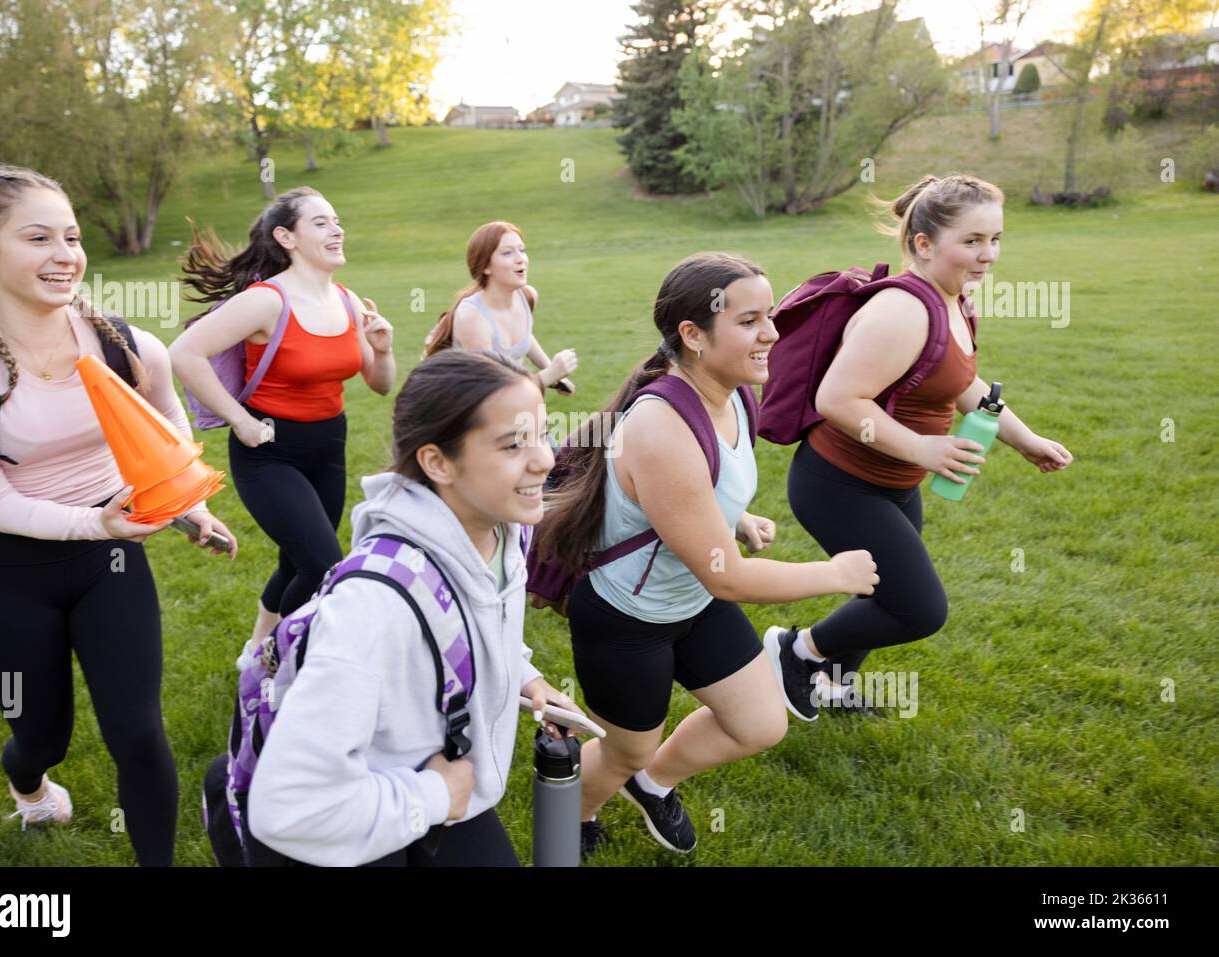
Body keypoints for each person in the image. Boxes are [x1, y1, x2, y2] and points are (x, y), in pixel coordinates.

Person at [0, 164, 237, 867]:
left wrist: (194, 509)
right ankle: (29, 782)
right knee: (43, 735)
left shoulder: (126, 345)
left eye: (71, 234)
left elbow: (171, 446)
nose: (66, 253)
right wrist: (100, 523)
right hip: (1, 568)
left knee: (138, 731)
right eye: (38, 237)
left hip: (108, 561)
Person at [536, 252, 879, 854]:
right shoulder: (662, 425)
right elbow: (730, 579)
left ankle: (654, 782)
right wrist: (835, 572)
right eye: (750, 321)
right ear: (693, 335)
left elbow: (695, 491)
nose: (771, 333)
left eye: (769, 316)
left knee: (760, 722)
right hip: (628, 618)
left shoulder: (735, 395)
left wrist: (735, 518)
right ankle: (574, 817)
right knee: (625, 747)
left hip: (689, 600)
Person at [246, 350, 583, 866]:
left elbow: (471, 625)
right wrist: (432, 796)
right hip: (363, 818)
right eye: (514, 444)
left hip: (449, 790)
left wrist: (522, 675)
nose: (545, 459)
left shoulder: (500, 529)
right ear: (437, 462)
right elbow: (288, 808)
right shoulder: (372, 609)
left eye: (541, 433)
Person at [778, 174, 1074, 720]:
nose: (989, 255)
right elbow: (838, 398)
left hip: (891, 483)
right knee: (918, 609)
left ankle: (833, 685)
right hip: (838, 483)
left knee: (881, 589)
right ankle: (794, 653)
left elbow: (962, 385)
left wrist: (1025, 439)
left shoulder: (952, 301)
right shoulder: (902, 310)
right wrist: (922, 448)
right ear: (923, 244)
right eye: (972, 241)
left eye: (996, 239)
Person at [170, 187, 395, 641]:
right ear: (286, 237)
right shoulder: (267, 300)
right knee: (324, 565)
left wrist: (383, 349)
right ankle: (277, 657)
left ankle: (256, 647)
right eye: (321, 223)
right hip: (269, 452)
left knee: (297, 560)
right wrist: (240, 420)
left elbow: (380, 383)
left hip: (329, 446)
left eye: (337, 220)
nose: (337, 229)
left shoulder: (348, 301)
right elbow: (184, 354)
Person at [424, 221, 578, 395]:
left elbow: (524, 335)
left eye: (522, 250)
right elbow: (491, 392)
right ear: (486, 267)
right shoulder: (472, 318)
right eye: (507, 253)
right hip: (469, 412)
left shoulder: (527, 296)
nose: (520, 259)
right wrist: (548, 376)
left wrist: (555, 374)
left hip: (513, 406)